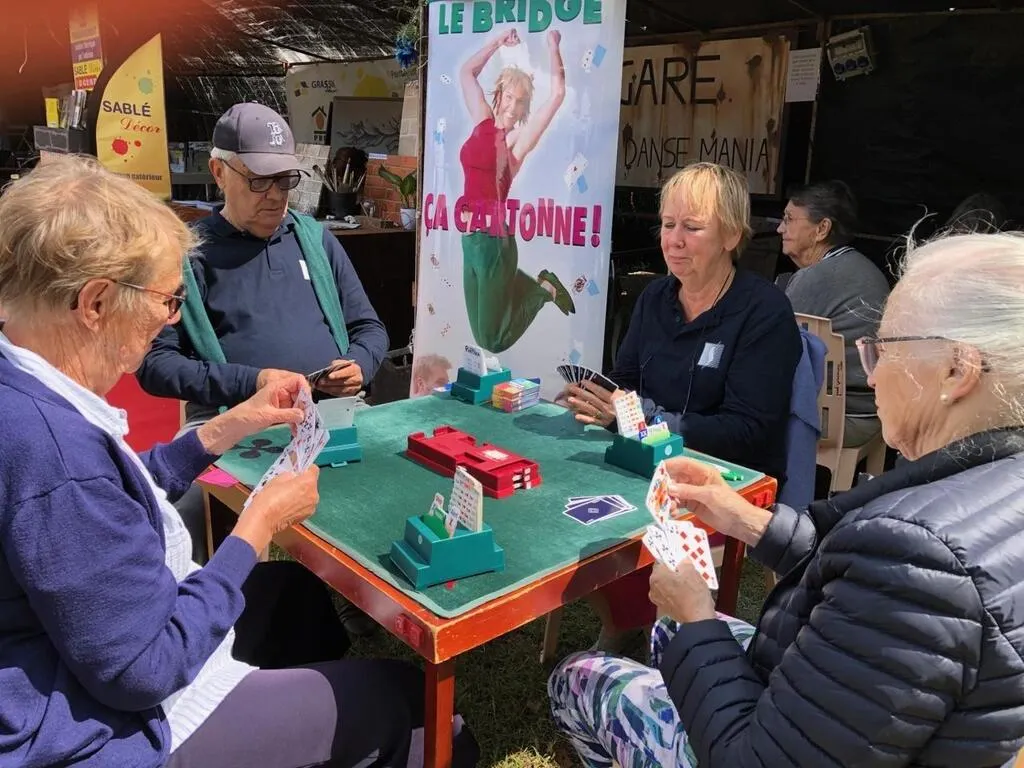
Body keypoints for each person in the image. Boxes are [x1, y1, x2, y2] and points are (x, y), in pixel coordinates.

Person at [0, 157, 478, 768]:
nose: (168, 319)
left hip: (98, 660)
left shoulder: (27, 390)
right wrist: (258, 525)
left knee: (293, 596)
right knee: (404, 696)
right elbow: (146, 670)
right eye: (167, 301)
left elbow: (111, 496)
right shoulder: (53, 451)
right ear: (94, 303)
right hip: (118, 727)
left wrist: (218, 431)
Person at [549, 230, 1024, 767]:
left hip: (767, 736)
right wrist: (749, 520)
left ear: (957, 372)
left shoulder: (918, 561)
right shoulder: (986, 485)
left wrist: (697, 616)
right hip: (829, 701)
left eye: (882, 346)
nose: (870, 366)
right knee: (663, 629)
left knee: (578, 677)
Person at [136, 103, 387, 595]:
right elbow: (155, 365)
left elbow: (370, 327)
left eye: (285, 181)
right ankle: (228, 603)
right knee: (183, 523)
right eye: (258, 181)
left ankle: (355, 591)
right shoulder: (188, 254)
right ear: (218, 172)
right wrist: (251, 382)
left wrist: (359, 365)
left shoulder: (314, 238)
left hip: (333, 412)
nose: (274, 196)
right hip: (233, 423)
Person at [562, 162, 802, 648]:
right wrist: (599, 399)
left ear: (732, 235)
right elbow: (625, 379)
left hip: (722, 479)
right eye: (668, 225)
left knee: (626, 519)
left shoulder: (763, 313)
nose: (673, 240)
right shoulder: (655, 296)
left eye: (692, 227)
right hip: (642, 461)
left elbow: (747, 430)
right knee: (558, 500)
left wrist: (641, 419)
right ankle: (622, 619)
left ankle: (639, 630)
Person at [457, 27, 576, 354]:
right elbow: (467, 72)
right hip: (470, 241)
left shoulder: (516, 144)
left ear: (524, 108)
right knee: (480, 336)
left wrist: (553, 47)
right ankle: (524, 282)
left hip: (495, 243)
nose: (512, 105)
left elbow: (557, 94)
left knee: (492, 340)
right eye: (509, 96)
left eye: (520, 101)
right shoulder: (481, 121)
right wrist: (497, 42)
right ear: (498, 94)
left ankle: (544, 290)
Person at [776, 180, 891, 447]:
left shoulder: (818, 278)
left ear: (822, 229)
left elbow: (769, 348)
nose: (780, 228)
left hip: (841, 417)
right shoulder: (860, 267)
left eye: (789, 219)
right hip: (871, 410)